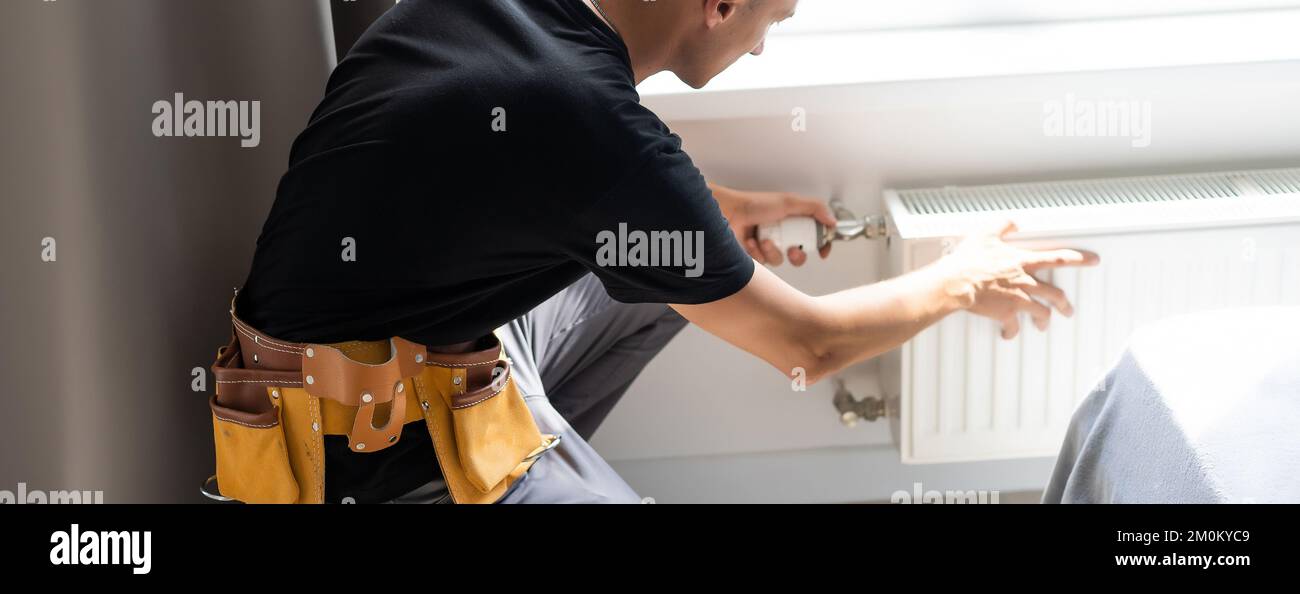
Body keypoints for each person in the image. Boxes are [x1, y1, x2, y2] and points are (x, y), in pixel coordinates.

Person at [234, 0, 1098, 504]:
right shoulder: (596, 124)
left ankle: (545, 451)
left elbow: (524, 175)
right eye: (769, 19)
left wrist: (718, 218)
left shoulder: (519, 25)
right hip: (358, 463)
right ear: (718, 4)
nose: (762, 43)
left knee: (663, 279)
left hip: (391, 361)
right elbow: (809, 343)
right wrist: (956, 280)